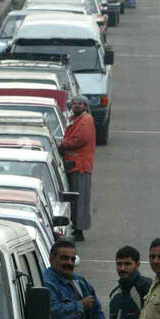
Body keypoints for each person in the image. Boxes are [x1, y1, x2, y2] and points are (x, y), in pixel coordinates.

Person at [59, 96, 96, 240]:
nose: (76, 106)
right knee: (74, 199)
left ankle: (79, 229)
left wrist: (63, 143)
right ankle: (75, 227)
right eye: (74, 103)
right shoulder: (76, 119)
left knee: (79, 199)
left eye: (80, 104)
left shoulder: (86, 120)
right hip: (73, 164)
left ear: (85, 106)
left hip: (80, 165)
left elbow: (78, 140)